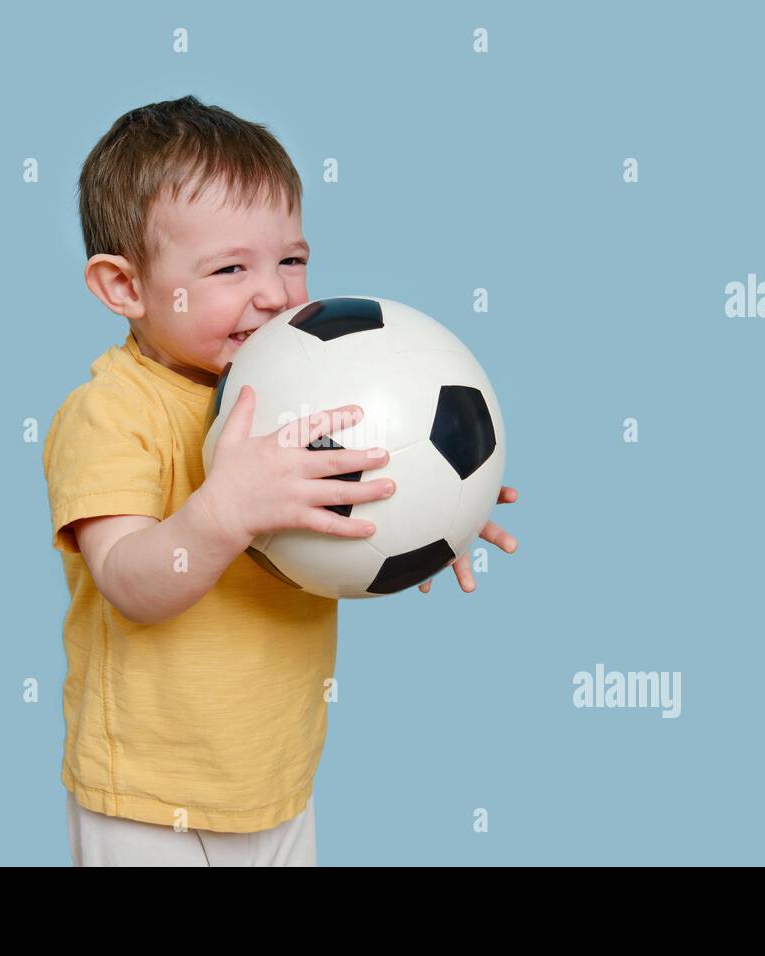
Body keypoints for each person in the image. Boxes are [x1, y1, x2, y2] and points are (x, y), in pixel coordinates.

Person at [44, 94, 519, 866]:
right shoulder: (111, 413)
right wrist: (222, 511)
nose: (274, 294)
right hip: (148, 796)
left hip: (276, 781)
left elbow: (326, 537)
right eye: (230, 268)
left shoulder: (299, 390)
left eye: (290, 259)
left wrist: (435, 504)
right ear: (125, 288)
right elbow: (130, 581)